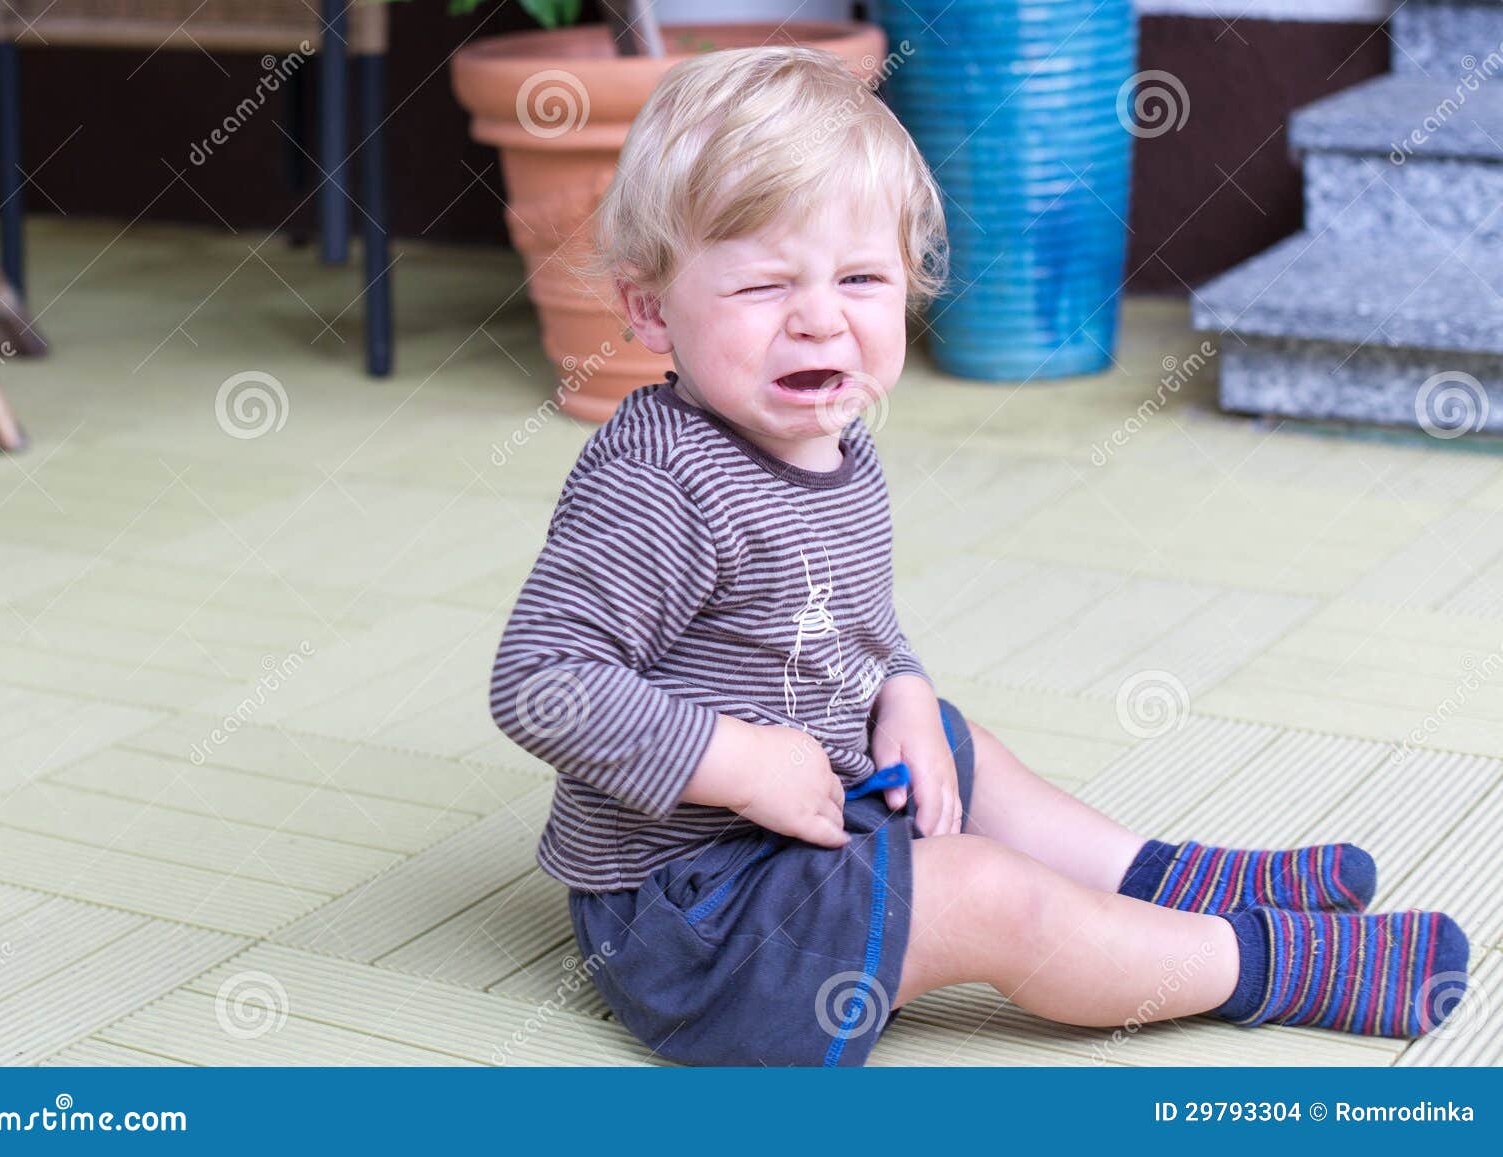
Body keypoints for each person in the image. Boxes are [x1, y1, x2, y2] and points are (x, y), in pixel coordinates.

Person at [487, 46, 1469, 1067]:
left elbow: (829, 624)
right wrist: (733, 762)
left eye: (861, 277)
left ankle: (1156, 876)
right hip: (698, 920)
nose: (819, 315)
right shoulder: (659, 485)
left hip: (809, 822)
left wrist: (900, 685)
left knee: (947, 736)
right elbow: (540, 680)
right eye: (764, 283)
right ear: (648, 308)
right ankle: (1250, 960)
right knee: (989, 891)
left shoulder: (831, 436)